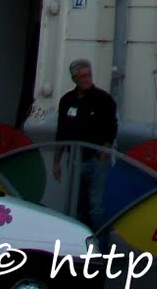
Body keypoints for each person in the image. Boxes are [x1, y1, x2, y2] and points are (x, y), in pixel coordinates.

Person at [53, 58, 117, 230]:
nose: (87, 79)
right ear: (74, 79)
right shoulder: (67, 100)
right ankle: (79, 244)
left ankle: (101, 248)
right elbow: (62, 131)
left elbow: (111, 128)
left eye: (89, 75)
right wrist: (56, 160)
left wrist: (104, 152)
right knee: (76, 204)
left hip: (96, 159)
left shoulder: (103, 99)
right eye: (82, 76)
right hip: (74, 159)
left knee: (96, 204)